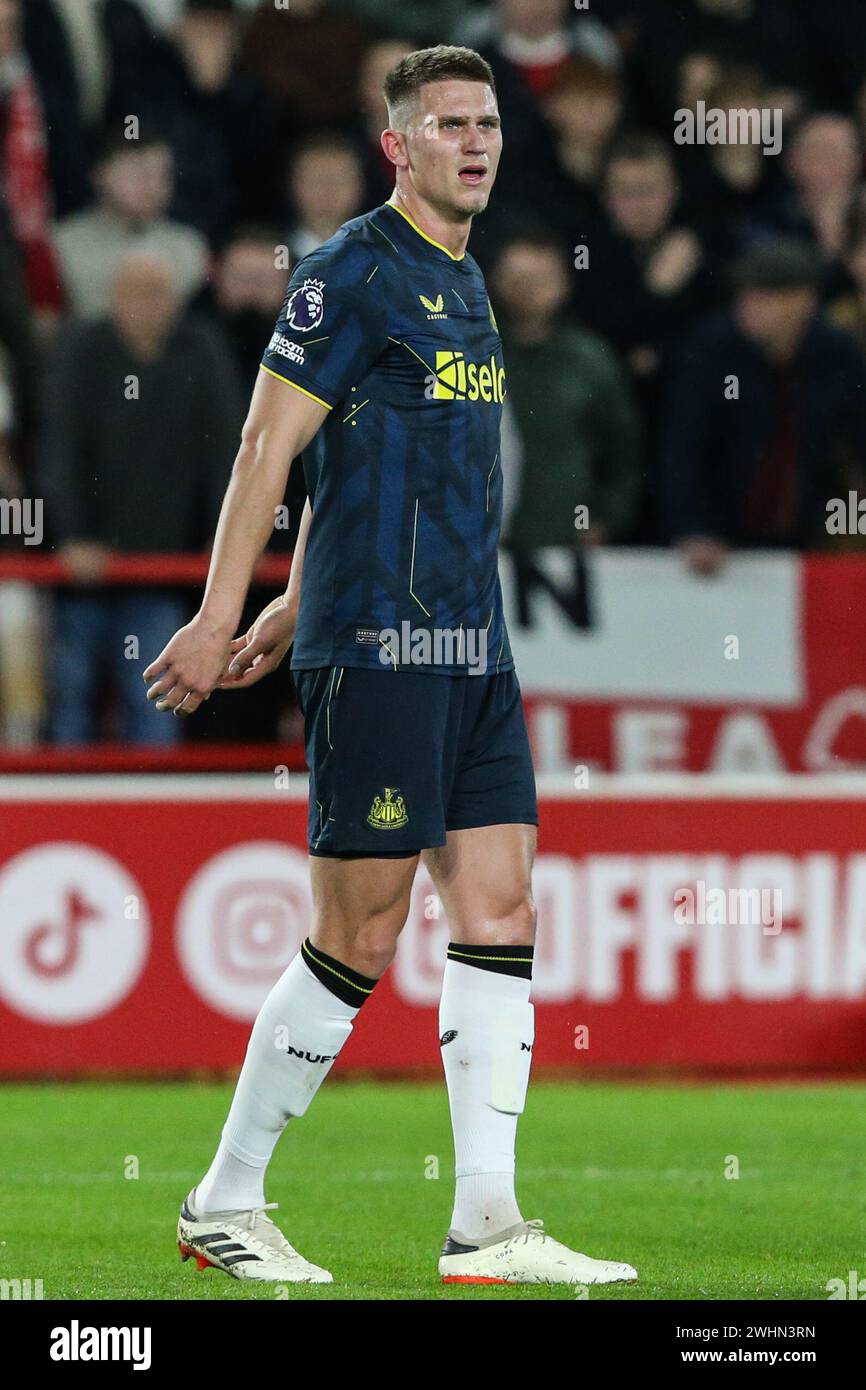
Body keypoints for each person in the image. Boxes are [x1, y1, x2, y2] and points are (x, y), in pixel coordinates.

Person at [144, 43, 637, 1289]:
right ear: (396, 145)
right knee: (359, 934)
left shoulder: (465, 283)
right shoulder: (350, 272)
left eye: (486, 124)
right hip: (381, 647)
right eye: (447, 125)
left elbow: (356, 469)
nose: (474, 142)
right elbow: (269, 445)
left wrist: (287, 590)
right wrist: (219, 613)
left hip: (473, 646)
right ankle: (222, 1199)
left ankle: (484, 1223)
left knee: (502, 909)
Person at [39, 249, 240, 743]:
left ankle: (156, 818)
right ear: (113, 298)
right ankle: (61, 818)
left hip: (166, 569)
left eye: (159, 293)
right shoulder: (82, 349)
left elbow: (231, 454)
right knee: (70, 697)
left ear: (177, 301)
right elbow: (58, 450)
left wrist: (223, 549)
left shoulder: (201, 350)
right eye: (136, 292)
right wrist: (73, 537)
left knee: (159, 704)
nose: (147, 305)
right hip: (86, 572)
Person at [662, 239, 866, 575]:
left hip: (808, 533)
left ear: (803, 301)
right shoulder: (713, 349)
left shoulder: (837, 355)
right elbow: (684, 445)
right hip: (721, 539)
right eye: (743, 296)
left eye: (763, 297)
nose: (748, 307)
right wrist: (692, 528)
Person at [492, 229, 641, 549]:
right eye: (517, 279)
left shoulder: (589, 360)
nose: (528, 291)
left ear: (563, 283)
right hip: (487, 545)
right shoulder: (471, 354)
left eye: (540, 279)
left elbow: (623, 451)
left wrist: (606, 519)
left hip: (567, 540)